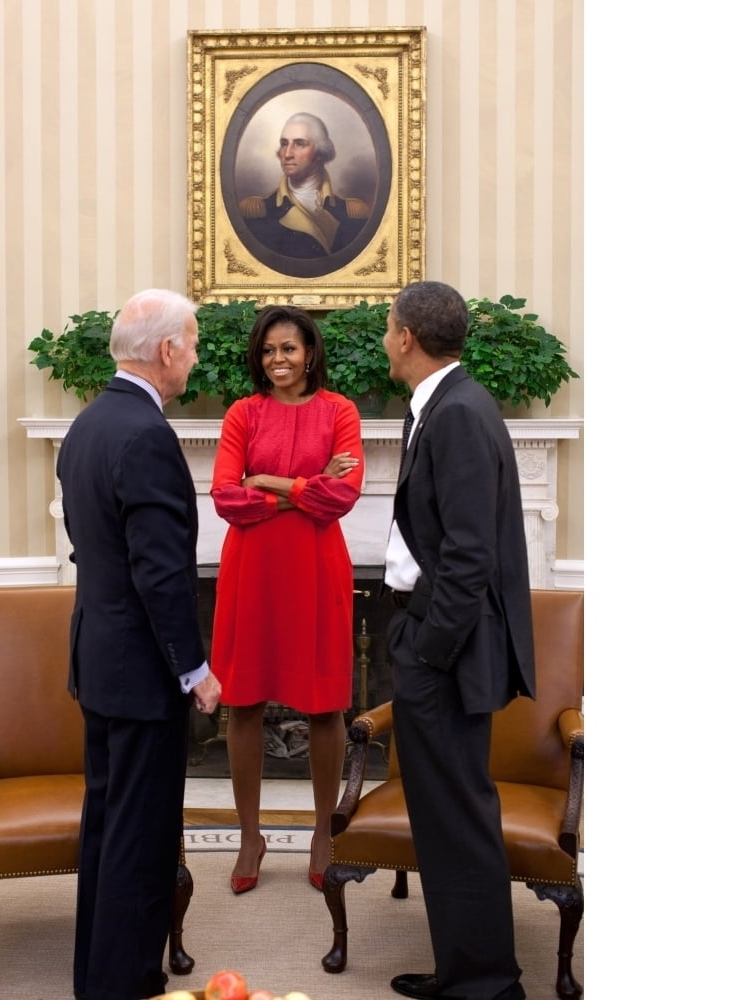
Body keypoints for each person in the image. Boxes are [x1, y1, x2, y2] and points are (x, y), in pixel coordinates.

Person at [56, 288, 222, 1000]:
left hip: (99, 662)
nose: (196, 355)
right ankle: (123, 987)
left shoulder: (88, 424)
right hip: (143, 672)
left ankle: (97, 978)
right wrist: (196, 671)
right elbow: (160, 576)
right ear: (166, 351)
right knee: (142, 840)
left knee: (106, 829)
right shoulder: (147, 435)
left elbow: (93, 550)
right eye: (191, 341)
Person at [380, 281, 536, 1000]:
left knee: (459, 819)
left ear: (407, 336)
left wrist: (426, 651)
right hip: (434, 641)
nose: (386, 339)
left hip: (447, 652)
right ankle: (464, 971)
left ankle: (485, 983)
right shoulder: (444, 406)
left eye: (388, 328)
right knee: (443, 820)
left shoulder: (460, 414)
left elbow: (471, 556)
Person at [209, 304, 364, 893]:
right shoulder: (243, 413)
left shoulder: (339, 411)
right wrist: (308, 486)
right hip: (252, 571)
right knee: (243, 702)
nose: (279, 359)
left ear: (310, 354)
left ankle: (324, 833)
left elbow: (342, 497)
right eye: (270, 349)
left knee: (324, 705)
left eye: (290, 349)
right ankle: (252, 835)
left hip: (317, 570)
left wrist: (269, 482)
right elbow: (226, 497)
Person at [239, 112, 371, 258]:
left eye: (299, 144)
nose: (287, 154)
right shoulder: (257, 213)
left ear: (320, 152)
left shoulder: (352, 213)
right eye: (284, 144)